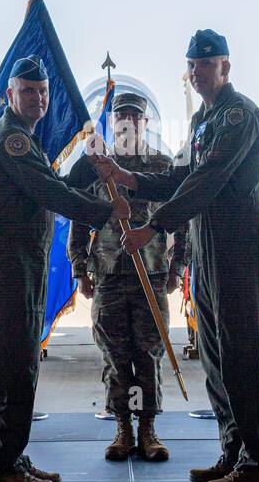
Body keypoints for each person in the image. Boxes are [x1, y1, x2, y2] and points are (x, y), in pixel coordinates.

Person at [90, 30, 259, 482]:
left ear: (226, 67)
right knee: (216, 356)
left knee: (244, 357)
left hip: (238, 243)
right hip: (211, 244)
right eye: (191, 64)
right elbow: (182, 177)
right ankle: (233, 452)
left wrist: (153, 229)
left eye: (206, 63)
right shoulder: (203, 120)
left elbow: (207, 182)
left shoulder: (238, 115)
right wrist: (129, 177)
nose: (197, 71)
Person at [0, 55, 130, 482]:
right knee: (11, 368)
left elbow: (51, 181)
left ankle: (12, 456)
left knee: (23, 363)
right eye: (28, 90)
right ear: (9, 94)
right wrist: (106, 212)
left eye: (42, 92)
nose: (38, 98)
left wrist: (89, 160)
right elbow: (51, 192)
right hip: (7, 265)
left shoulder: (25, 141)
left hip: (22, 265)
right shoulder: (11, 141)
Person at [67, 92, 187, 462]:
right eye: (121, 117)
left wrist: (178, 267)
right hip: (107, 274)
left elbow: (181, 218)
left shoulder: (162, 165)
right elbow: (79, 215)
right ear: (112, 122)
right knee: (116, 356)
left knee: (148, 354)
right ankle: (123, 428)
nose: (127, 123)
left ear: (145, 123)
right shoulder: (97, 165)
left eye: (135, 117)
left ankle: (148, 430)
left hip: (150, 272)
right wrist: (79, 268)